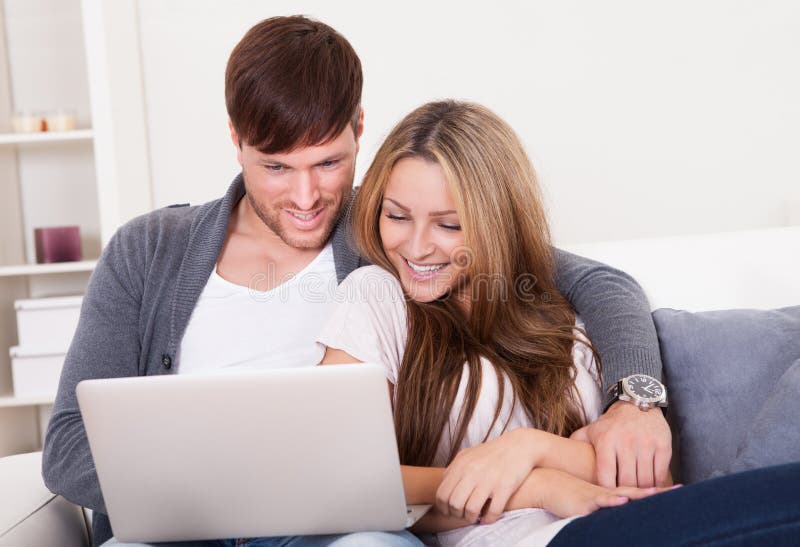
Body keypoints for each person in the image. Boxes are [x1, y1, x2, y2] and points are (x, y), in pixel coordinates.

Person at [43, 15, 667, 547]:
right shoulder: (148, 251)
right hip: (175, 531)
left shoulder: (393, 223)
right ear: (235, 140)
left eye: (328, 163)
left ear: (359, 129)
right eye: (277, 167)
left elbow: (598, 281)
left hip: (343, 527)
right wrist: (230, 492)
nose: (307, 197)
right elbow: (67, 447)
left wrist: (635, 398)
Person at [317, 100, 800, 546]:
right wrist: (540, 486)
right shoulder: (374, 296)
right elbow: (341, 480)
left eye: (450, 225)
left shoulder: (560, 306)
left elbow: (641, 470)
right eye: (397, 216)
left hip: (631, 519)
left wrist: (528, 449)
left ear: (498, 222)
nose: (417, 247)